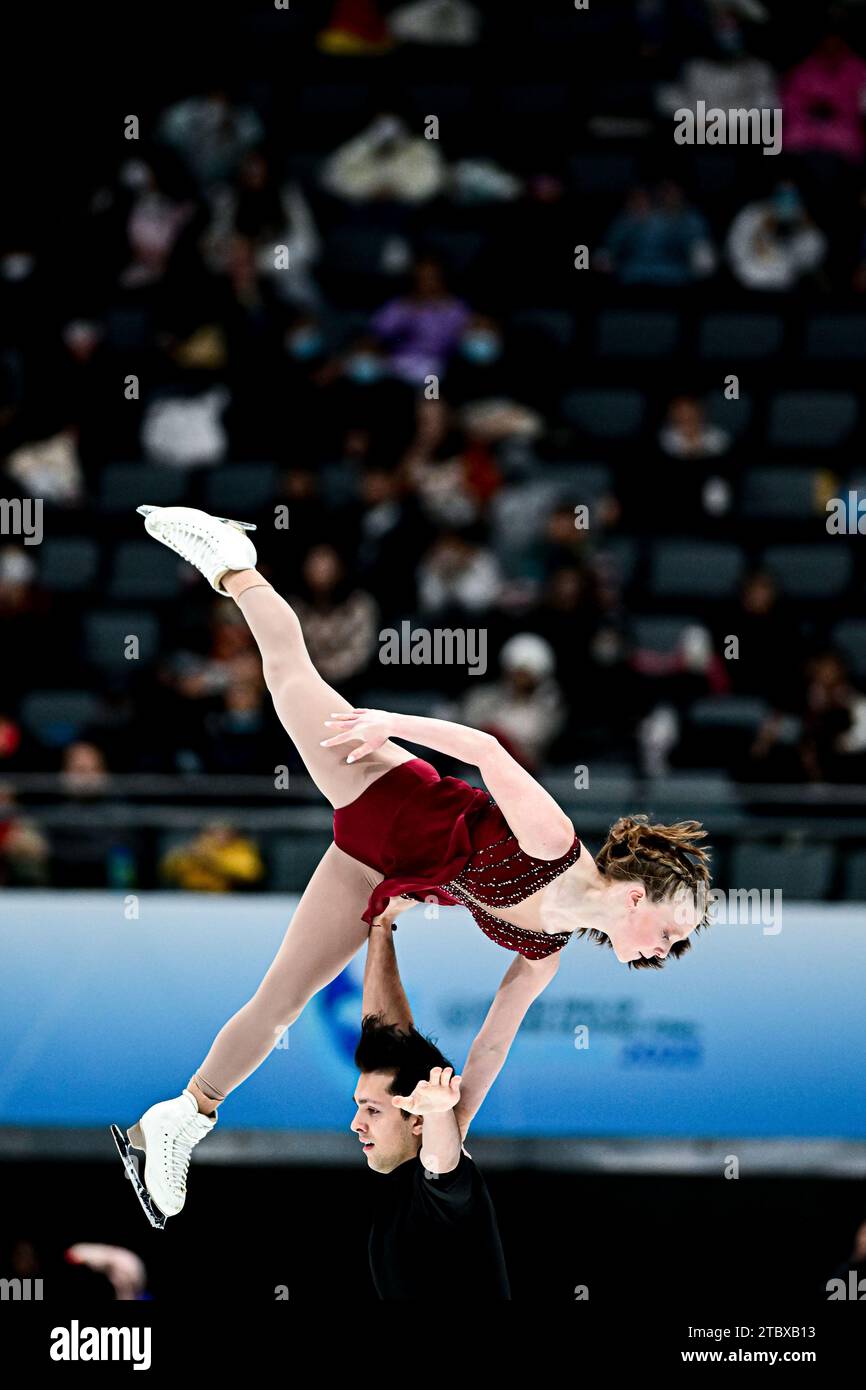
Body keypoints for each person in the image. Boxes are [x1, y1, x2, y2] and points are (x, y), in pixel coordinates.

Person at [113, 505, 712, 1228]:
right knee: (289, 674)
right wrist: (386, 723)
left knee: (281, 1004)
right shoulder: (555, 842)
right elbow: (489, 752)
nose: (668, 951)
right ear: (640, 896)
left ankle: (183, 1117)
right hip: (387, 794)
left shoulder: (546, 954)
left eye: (675, 950)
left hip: (379, 870)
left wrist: (447, 1139)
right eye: (674, 933)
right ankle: (235, 562)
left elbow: (488, 1049)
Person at [355, 908, 540, 1298]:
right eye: (362, 1107)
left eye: (372, 1110)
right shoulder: (421, 1177)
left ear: (417, 1121)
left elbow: (440, 1161)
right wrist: (380, 925)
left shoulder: (443, 1191)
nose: (356, 1123)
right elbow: (387, 1029)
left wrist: (438, 1110)